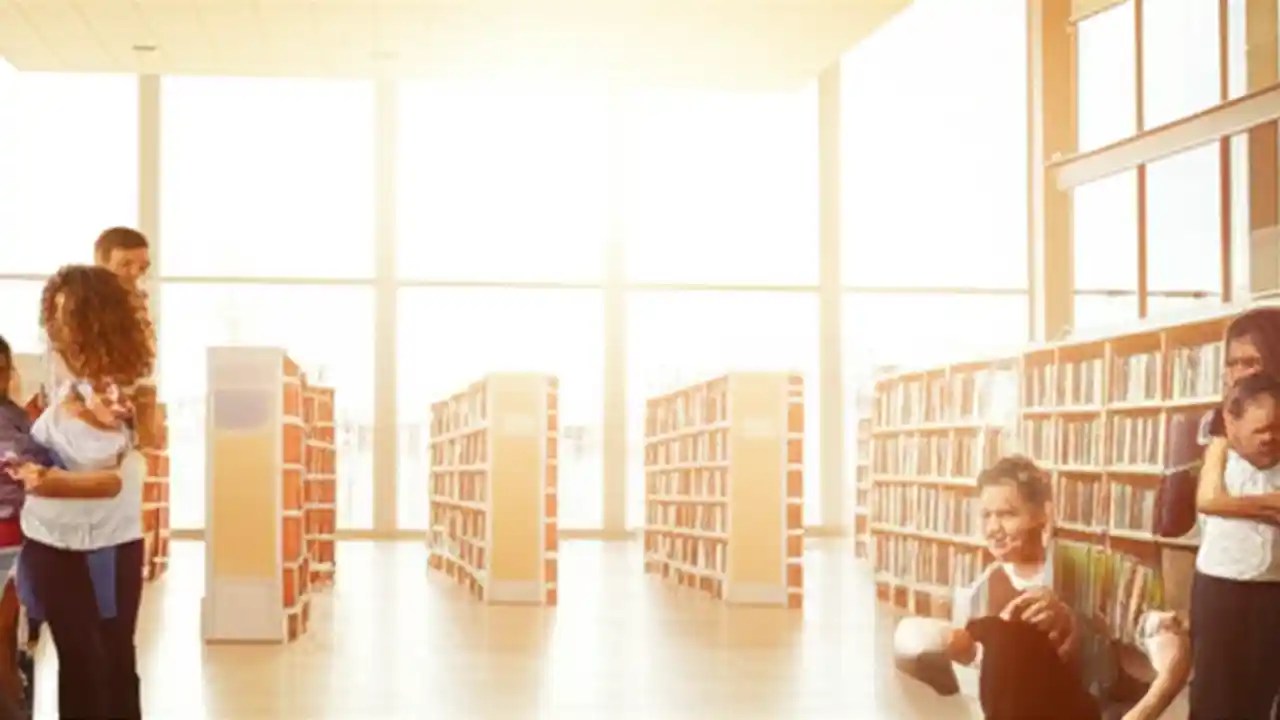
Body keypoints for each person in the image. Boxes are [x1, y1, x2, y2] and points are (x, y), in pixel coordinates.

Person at [895, 455, 1191, 720]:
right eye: (986, 515)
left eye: (1007, 514)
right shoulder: (979, 594)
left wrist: (1144, 711)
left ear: (1043, 515)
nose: (993, 528)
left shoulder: (1098, 568)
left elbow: (1167, 642)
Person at [13, 264, 153, 720]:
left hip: (104, 545)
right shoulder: (66, 383)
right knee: (82, 662)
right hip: (51, 543)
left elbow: (105, 471)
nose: (58, 327)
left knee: (107, 660)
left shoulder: (116, 389)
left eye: (68, 314)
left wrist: (47, 478)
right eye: (53, 314)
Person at [1194, 311, 1280, 719]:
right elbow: (1210, 499)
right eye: (1233, 363)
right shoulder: (1222, 419)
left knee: (1262, 695)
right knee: (1216, 696)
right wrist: (1271, 506)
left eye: (1252, 361)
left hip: (1275, 584)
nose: (1240, 373)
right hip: (1223, 582)